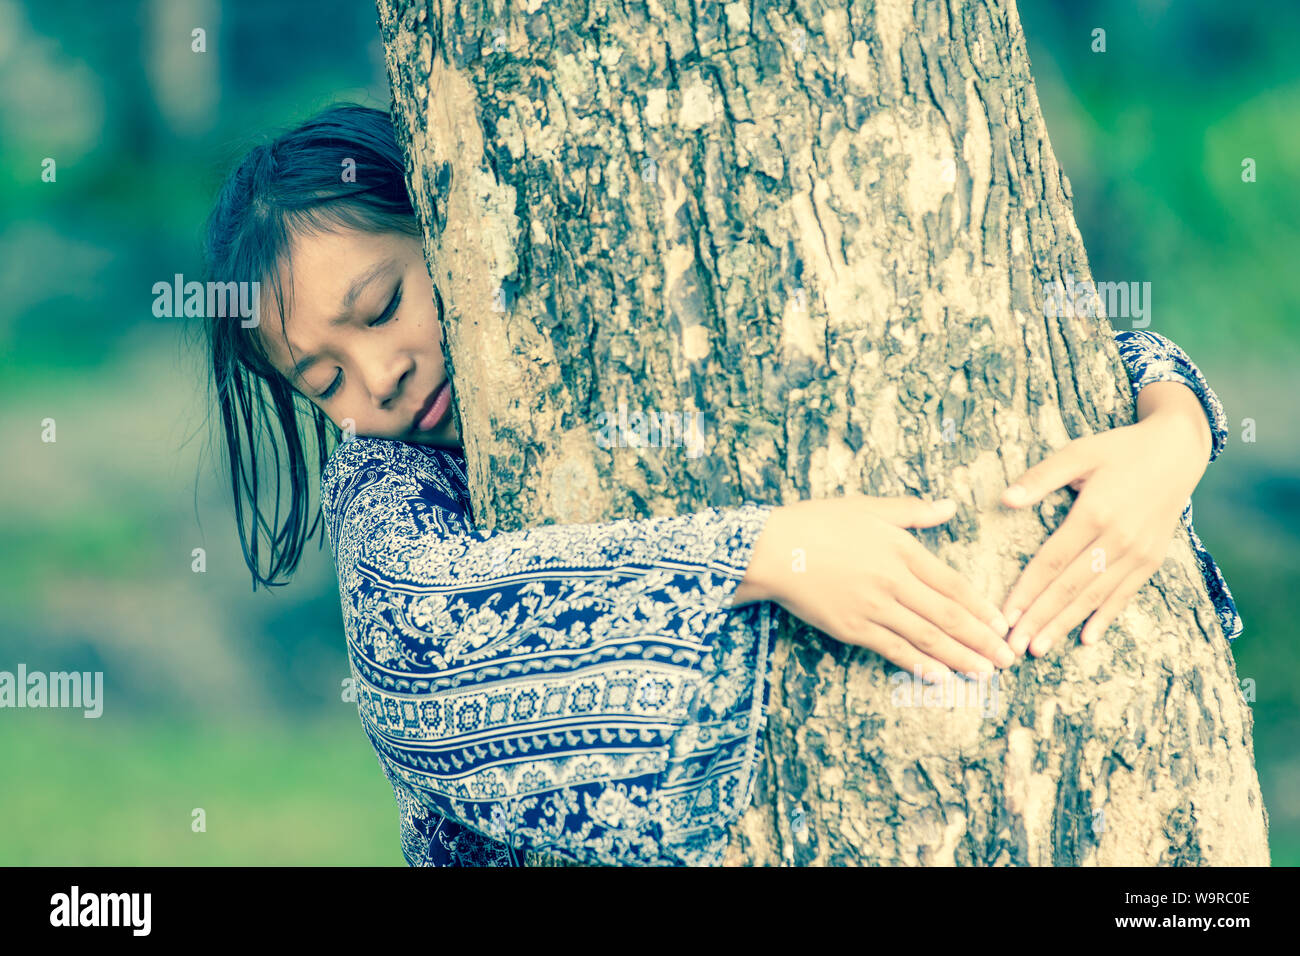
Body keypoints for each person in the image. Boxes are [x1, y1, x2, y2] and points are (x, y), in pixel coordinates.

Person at [199, 103, 1242, 866]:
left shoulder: (612, 316)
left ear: (453, 229)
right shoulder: (385, 481)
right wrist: (767, 552)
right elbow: (420, 652)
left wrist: (1173, 429)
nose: (376, 379)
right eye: (322, 377)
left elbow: (983, 355)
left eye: (380, 307)